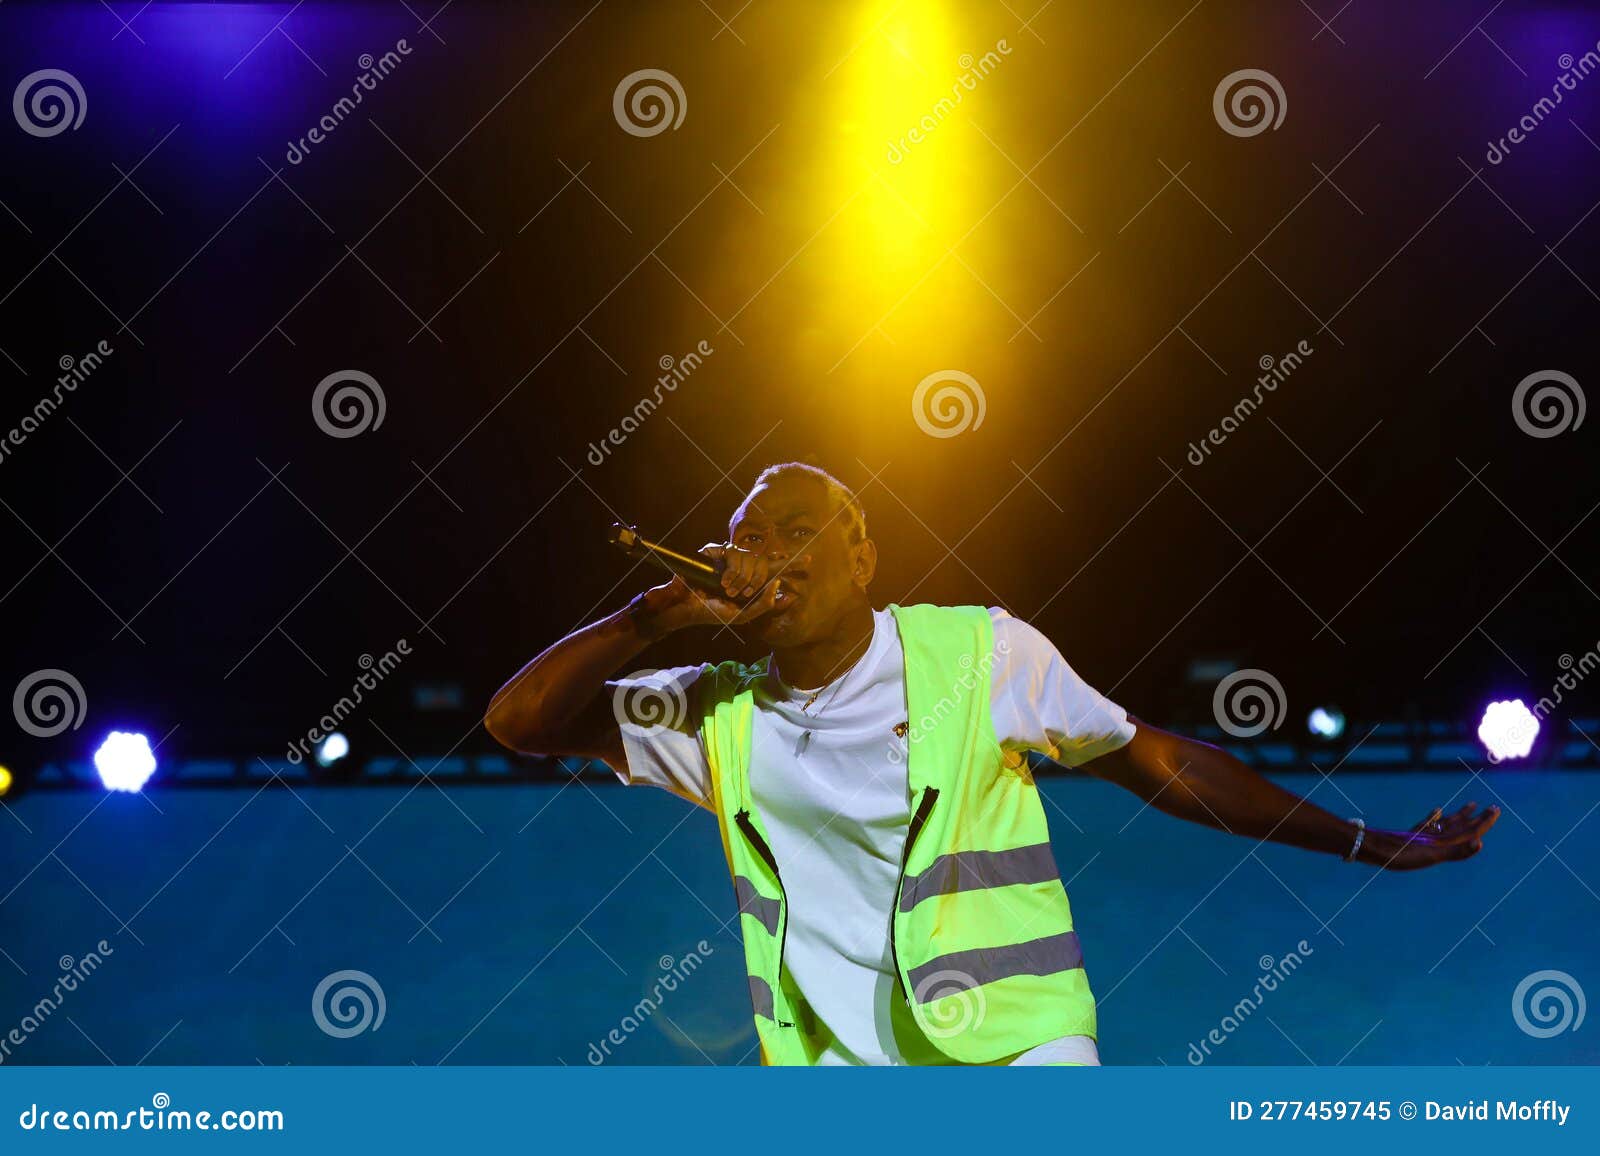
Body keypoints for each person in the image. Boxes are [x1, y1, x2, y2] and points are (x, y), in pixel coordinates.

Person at [485, 462, 1499, 1066]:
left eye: (797, 532)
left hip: (1023, 1049)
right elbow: (520, 722)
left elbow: (1156, 761)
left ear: (861, 557)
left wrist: (1366, 842)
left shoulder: (980, 653)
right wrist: (652, 615)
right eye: (746, 538)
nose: (766, 554)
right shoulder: (719, 707)